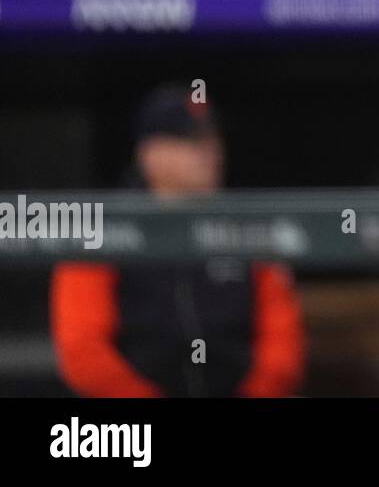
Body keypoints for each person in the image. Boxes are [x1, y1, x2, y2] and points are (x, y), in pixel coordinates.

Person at [50, 84, 306, 398]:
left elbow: (282, 345)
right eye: (191, 140)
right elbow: (83, 353)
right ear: (150, 152)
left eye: (213, 138)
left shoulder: (246, 226)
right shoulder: (102, 229)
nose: (210, 151)